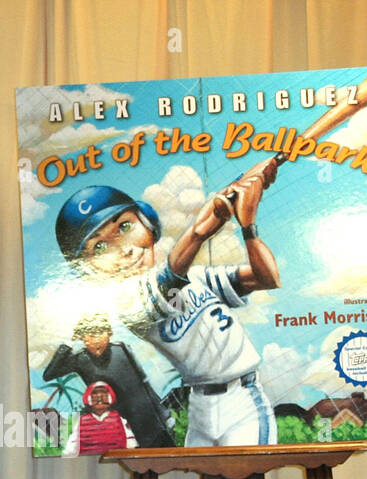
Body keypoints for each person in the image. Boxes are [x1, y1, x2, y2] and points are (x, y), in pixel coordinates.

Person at [53, 159, 280, 447]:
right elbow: (179, 262)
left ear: (147, 224)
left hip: (243, 399)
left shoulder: (197, 276)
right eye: (99, 247)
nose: (123, 249)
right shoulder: (127, 303)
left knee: (245, 475)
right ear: (88, 268)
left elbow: (266, 277)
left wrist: (248, 224)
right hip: (201, 407)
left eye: (124, 227)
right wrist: (217, 213)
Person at [42, 314, 173, 448]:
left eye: (101, 333)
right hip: (119, 427)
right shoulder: (80, 360)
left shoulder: (121, 349)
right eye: (90, 335)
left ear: (109, 334)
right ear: (82, 338)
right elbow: (49, 374)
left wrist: (162, 412)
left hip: (149, 420)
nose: (96, 340)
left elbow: (143, 382)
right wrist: (68, 343)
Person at [61, 381, 136, 457]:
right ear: (89, 399)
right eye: (95, 394)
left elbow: (131, 445)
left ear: (109, 397)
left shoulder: (120, 420)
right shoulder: (81, 422)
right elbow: (71, 449)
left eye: (103, 393)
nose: (99, 397)